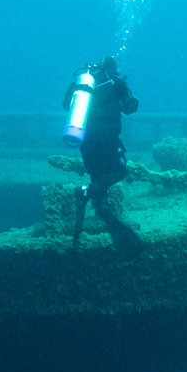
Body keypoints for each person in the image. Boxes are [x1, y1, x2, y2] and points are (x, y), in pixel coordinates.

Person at [63, 56, 140, 250]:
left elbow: (66, 105)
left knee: (97, 176)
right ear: (114, 69)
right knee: (120, 171)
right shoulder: (116, 82)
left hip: (85, 139)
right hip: (108, 138)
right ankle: (87, 192)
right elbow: (130, 108)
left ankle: (79, 237)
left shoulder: (83, 82)